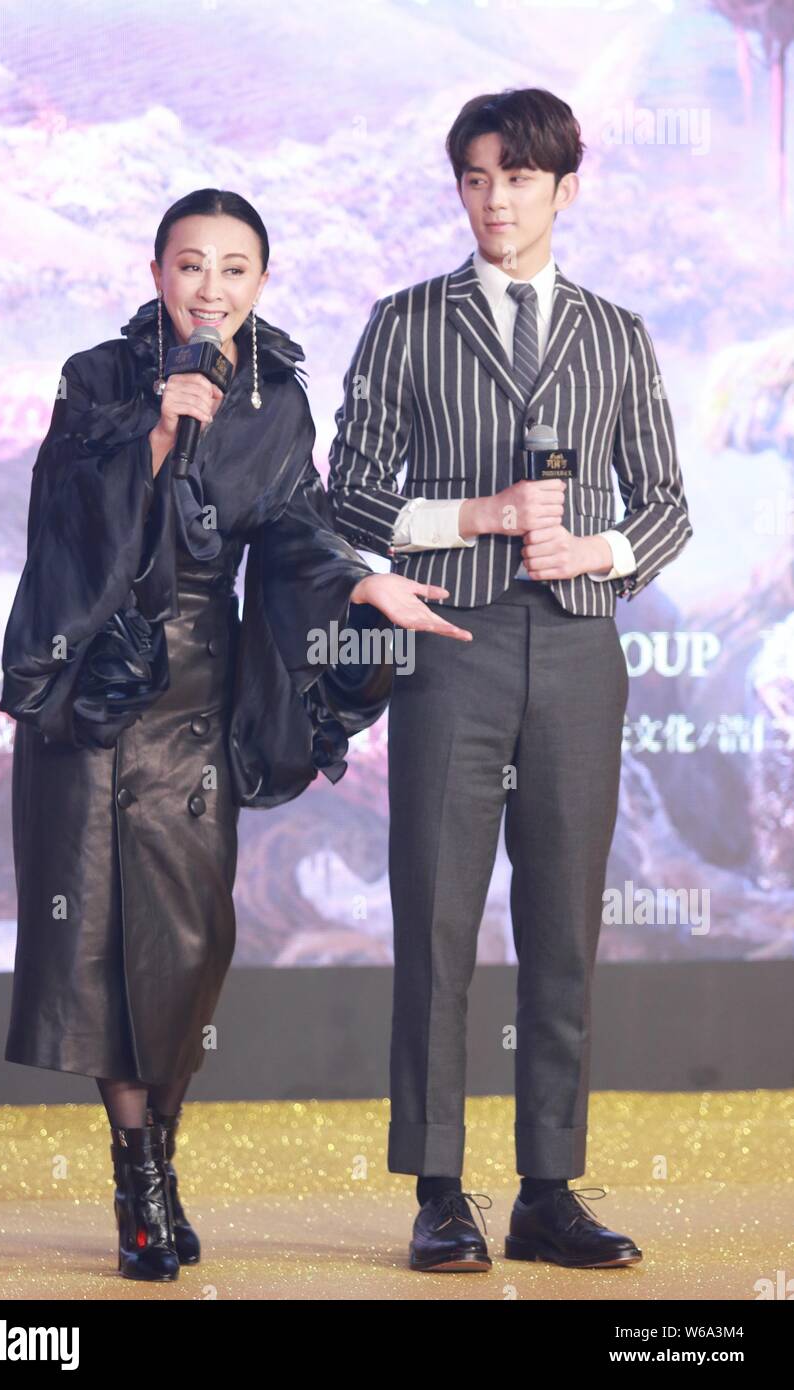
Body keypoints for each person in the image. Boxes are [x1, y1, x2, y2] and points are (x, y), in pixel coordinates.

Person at [0, 187, 470, 1282]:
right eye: (189, 265)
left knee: (186, 952)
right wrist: (157, 433)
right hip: (93, 693)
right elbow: (61, 526)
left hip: (196, 700)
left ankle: (157, 1149)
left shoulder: (276, 396)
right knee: (100, 952)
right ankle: (140, 1184)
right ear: (156, 271)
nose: (209, 288)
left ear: (262, 280)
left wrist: (363, 585)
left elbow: (295, 533)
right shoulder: (97, 378)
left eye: (233, 268)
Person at [327, 89, 693, 1271]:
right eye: (475, 178)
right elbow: (349, 497)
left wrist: (600, 548)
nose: (494, 198)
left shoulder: (617, 333)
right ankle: (440, 1192)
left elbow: (669, 507)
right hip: (450, 645)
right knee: (434, 918)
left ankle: (547, 1187)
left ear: (563, 188)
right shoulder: (402, 322)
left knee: (562, 927)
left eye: (517, 178)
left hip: (582, 650)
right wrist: (471, 514)